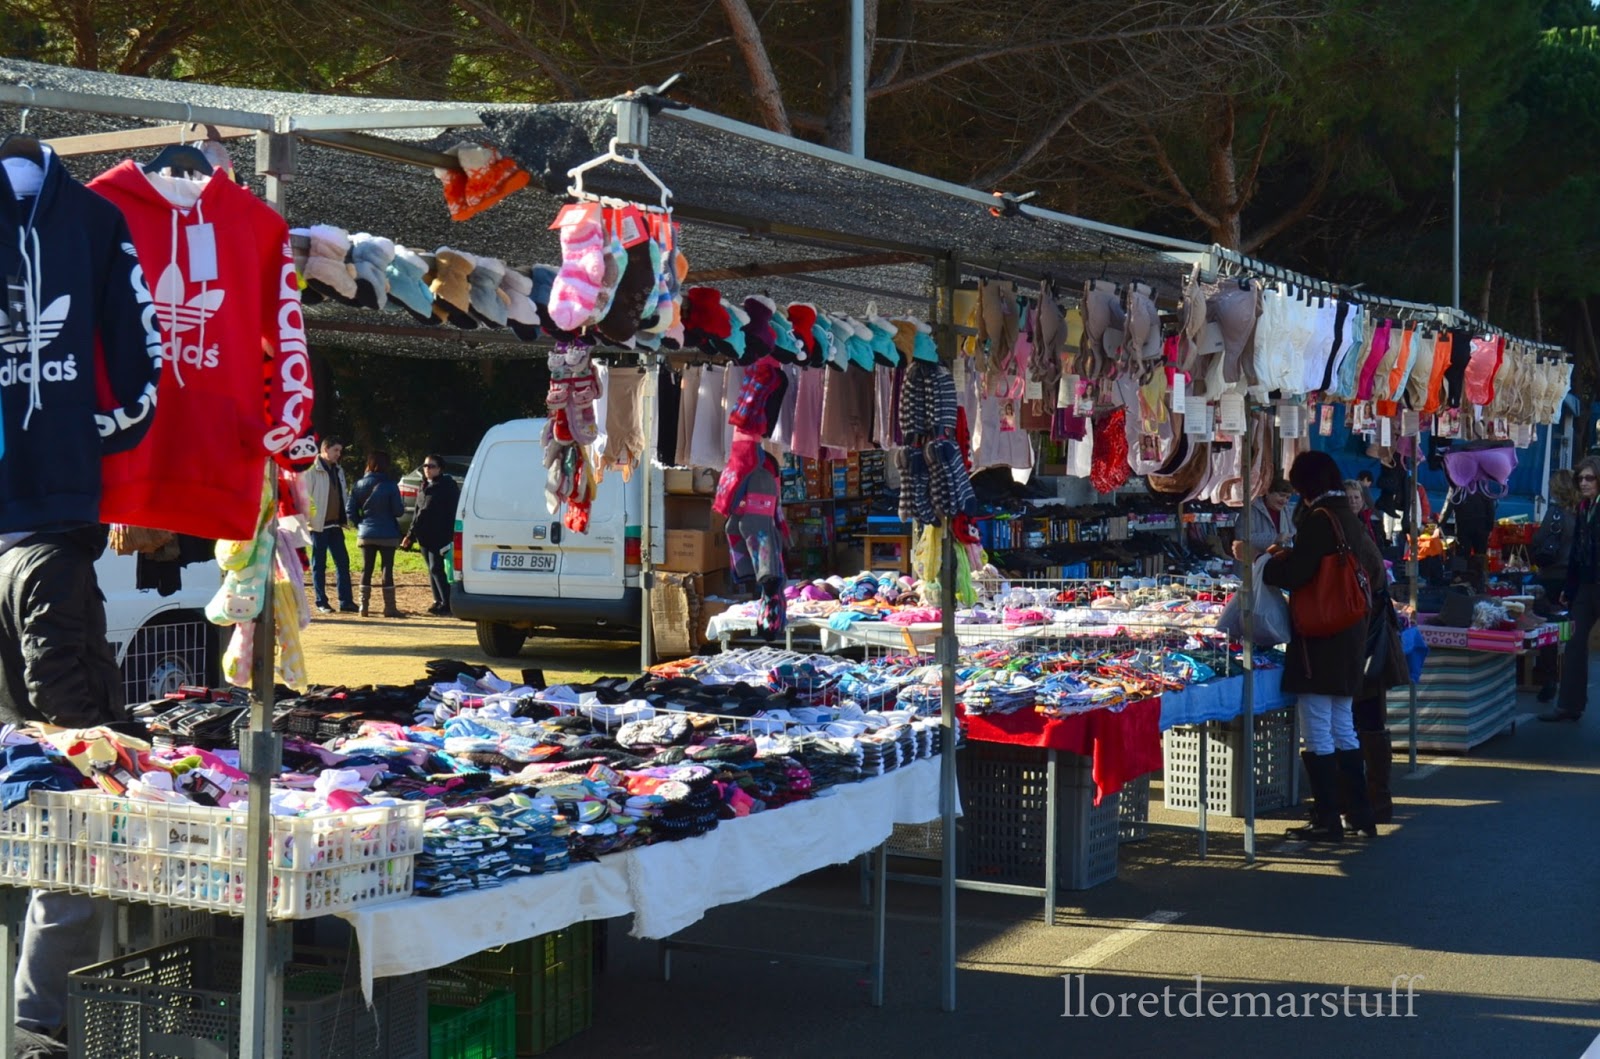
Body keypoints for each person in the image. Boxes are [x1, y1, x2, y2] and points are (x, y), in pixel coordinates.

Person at [0, 527, 127, 1056]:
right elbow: (50, 669)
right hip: (53, 751)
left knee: (36, 888)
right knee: (66, 890)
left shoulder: (13, 554)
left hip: (20, 740)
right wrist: (92, 744)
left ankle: (30, 1023)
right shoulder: (58, 561)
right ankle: (34, 1027)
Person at [1262, 451, 1388, 842]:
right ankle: (1359, 814)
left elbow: (1298, 573)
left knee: (1317, 726)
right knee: (1342, 724)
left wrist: (1269, 561)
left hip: (1321, 634)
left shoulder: (1320, 520)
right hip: (1348, 632)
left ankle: (1327, 818)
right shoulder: (1348, 517)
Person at [1544, 457, 1600, 722]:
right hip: (1586, 586)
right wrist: (1570, 586)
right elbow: (1578, 553)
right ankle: (1569, 705)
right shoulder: (1583, 508)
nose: (1584, 483)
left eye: (1590, 478)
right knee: (1575, 643)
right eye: (1581, 479)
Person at [1532, 468, 1578, 704]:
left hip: (1551, 576)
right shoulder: (1581, 513)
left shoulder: (1556, 513)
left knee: (1547, 628)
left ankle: (1547, 676)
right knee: (1569, 630)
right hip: (1572, 578)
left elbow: (1540, 541)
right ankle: (1567, 679)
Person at [299, 437, 357, 615]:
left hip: (335, 525)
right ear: (325, 449)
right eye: (336, 450)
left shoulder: (338, 469)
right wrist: (309, 520)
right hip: (318, 526)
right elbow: (304, 496)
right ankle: (321, 601)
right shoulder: (312, 470)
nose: (339, 454)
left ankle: (346, 601)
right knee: (319, 565)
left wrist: (344, 518)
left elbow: (341, 494)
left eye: (340, 451)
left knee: (343, 563)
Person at [349, 450, 406, 618]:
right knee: (386, 570)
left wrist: (361, 522)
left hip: (366, 533)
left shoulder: (358, 484)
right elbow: (398, 511)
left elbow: (350, 510)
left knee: (366, 569)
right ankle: (389, 608)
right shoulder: (390, 485)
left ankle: (363, 606)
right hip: (388, 533)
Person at [402, 454, 460, 616]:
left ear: (440, 468)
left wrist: (450, 534)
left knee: (437, 567)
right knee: (431, 568)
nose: (427, 469)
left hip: (440, 534)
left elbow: (452, 512)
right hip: (424, 535)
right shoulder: (424, 486)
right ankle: (438, 601)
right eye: (425, 466)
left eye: (431, 466)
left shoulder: (447, 486)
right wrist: (410, 535)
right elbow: (418, 513)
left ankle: (447, 602)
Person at [1244, 477, 1296, 555]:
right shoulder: (1251, 510)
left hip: (1280, 562)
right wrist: (1275, 538)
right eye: (1282, 495)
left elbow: (1293, 535)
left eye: (1287, 497)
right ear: (1268, 492)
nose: (1285, 501)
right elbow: (1244, 538)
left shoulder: (1288, 511)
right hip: (1255, 563)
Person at [1344, 478, 1382, 547]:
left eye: (1356, 497)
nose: (1353, 501)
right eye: (1349, 498)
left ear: (1362, 500)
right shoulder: (1339, 524)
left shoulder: (1369, 521)